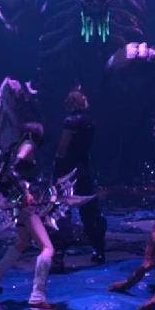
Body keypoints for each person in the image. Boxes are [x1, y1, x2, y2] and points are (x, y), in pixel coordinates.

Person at [0, 121, 57, 310]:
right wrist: (25, 193)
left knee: (22, 242)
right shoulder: (28, 146)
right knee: (47, 248)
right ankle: (37, 296)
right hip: (24, 203)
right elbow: (12, 171)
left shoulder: (16, 147)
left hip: (17, 201)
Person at [52, 88, 107, 271]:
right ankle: (99, 250)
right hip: (84, 168)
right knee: (89, 209)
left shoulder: (70, 122)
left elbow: (63, 148)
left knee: (62, 210)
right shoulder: (90, 121)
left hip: (67, 170)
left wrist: (56, 169)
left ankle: (58, 255)